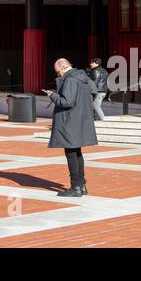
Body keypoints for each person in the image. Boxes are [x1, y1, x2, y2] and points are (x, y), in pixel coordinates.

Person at [43, 57, 97, 197]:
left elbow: (67, 101)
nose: (58, 75)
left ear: (62, 68)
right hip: (80, 119)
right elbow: (94, 92)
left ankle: (76, 187)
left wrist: (53, 96)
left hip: (70, 121)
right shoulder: (83, 78)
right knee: (77, 153)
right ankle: (81, 185)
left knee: (71, 154)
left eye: (58, 72)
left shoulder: (70, 79)